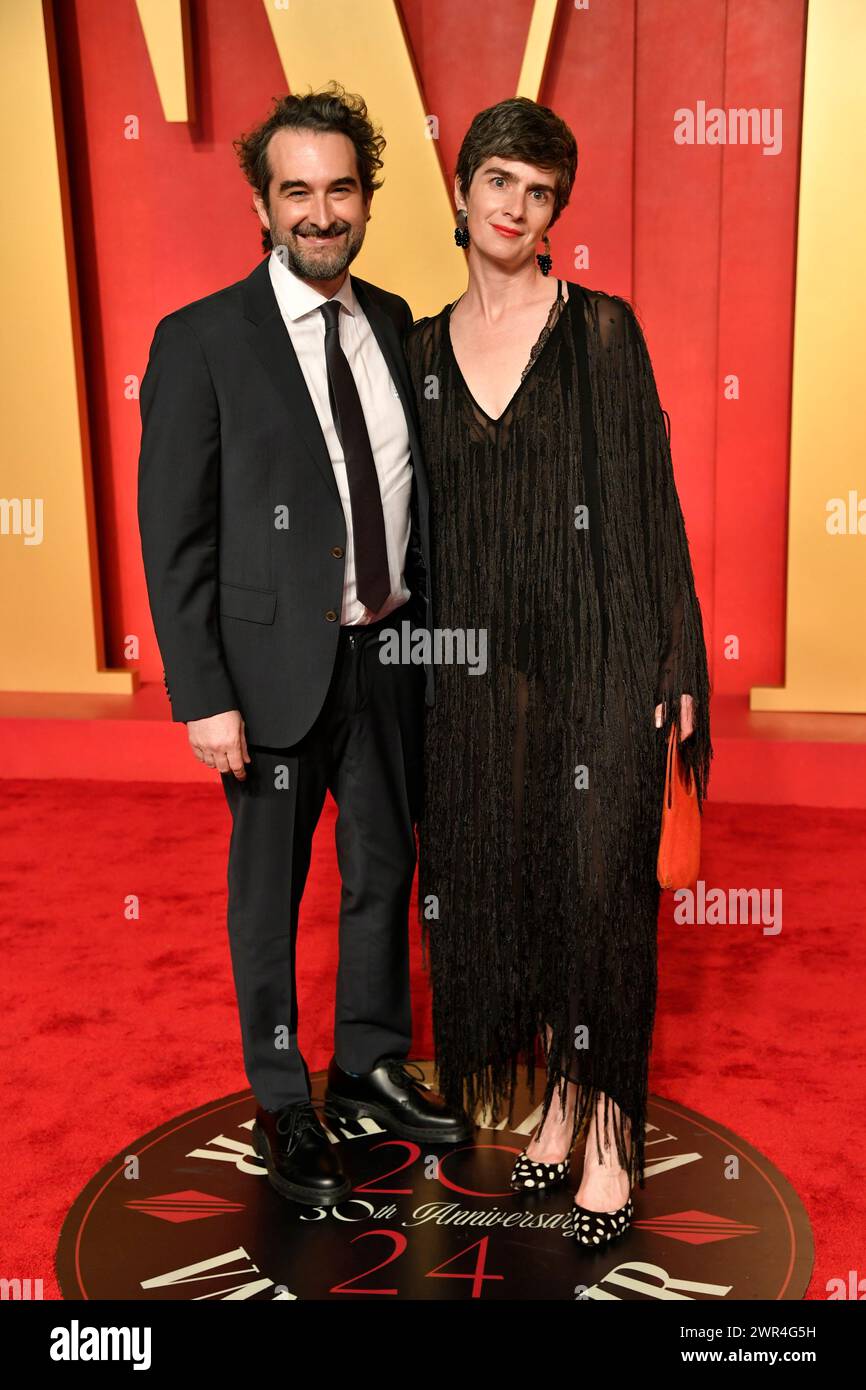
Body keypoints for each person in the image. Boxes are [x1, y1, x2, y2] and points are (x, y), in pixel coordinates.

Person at [137, 82, 471, 1209]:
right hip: (269, 679)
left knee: (383, 868)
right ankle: (285, 1095)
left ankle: (370, 1060)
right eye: (296, 192)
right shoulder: (199, 341)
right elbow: (173, 529)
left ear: (365, 196)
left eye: (338, 189)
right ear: (260, 202)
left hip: (386, 656)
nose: (319, 212)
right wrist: (202, 694)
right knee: (267, 895)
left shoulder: (389, 319)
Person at [404, 97, 712, 1247]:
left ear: (552, 215)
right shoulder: (420, 352)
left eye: (537, 193)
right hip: (482, 678)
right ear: (461, 192)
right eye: (498, 182)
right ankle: (560, 1098)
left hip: (598, 649)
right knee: (516, 883)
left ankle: (608, 1130)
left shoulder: (599, 331)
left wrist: (673, 654)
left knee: (597, 888)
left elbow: (650, 500)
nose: (514, 207)